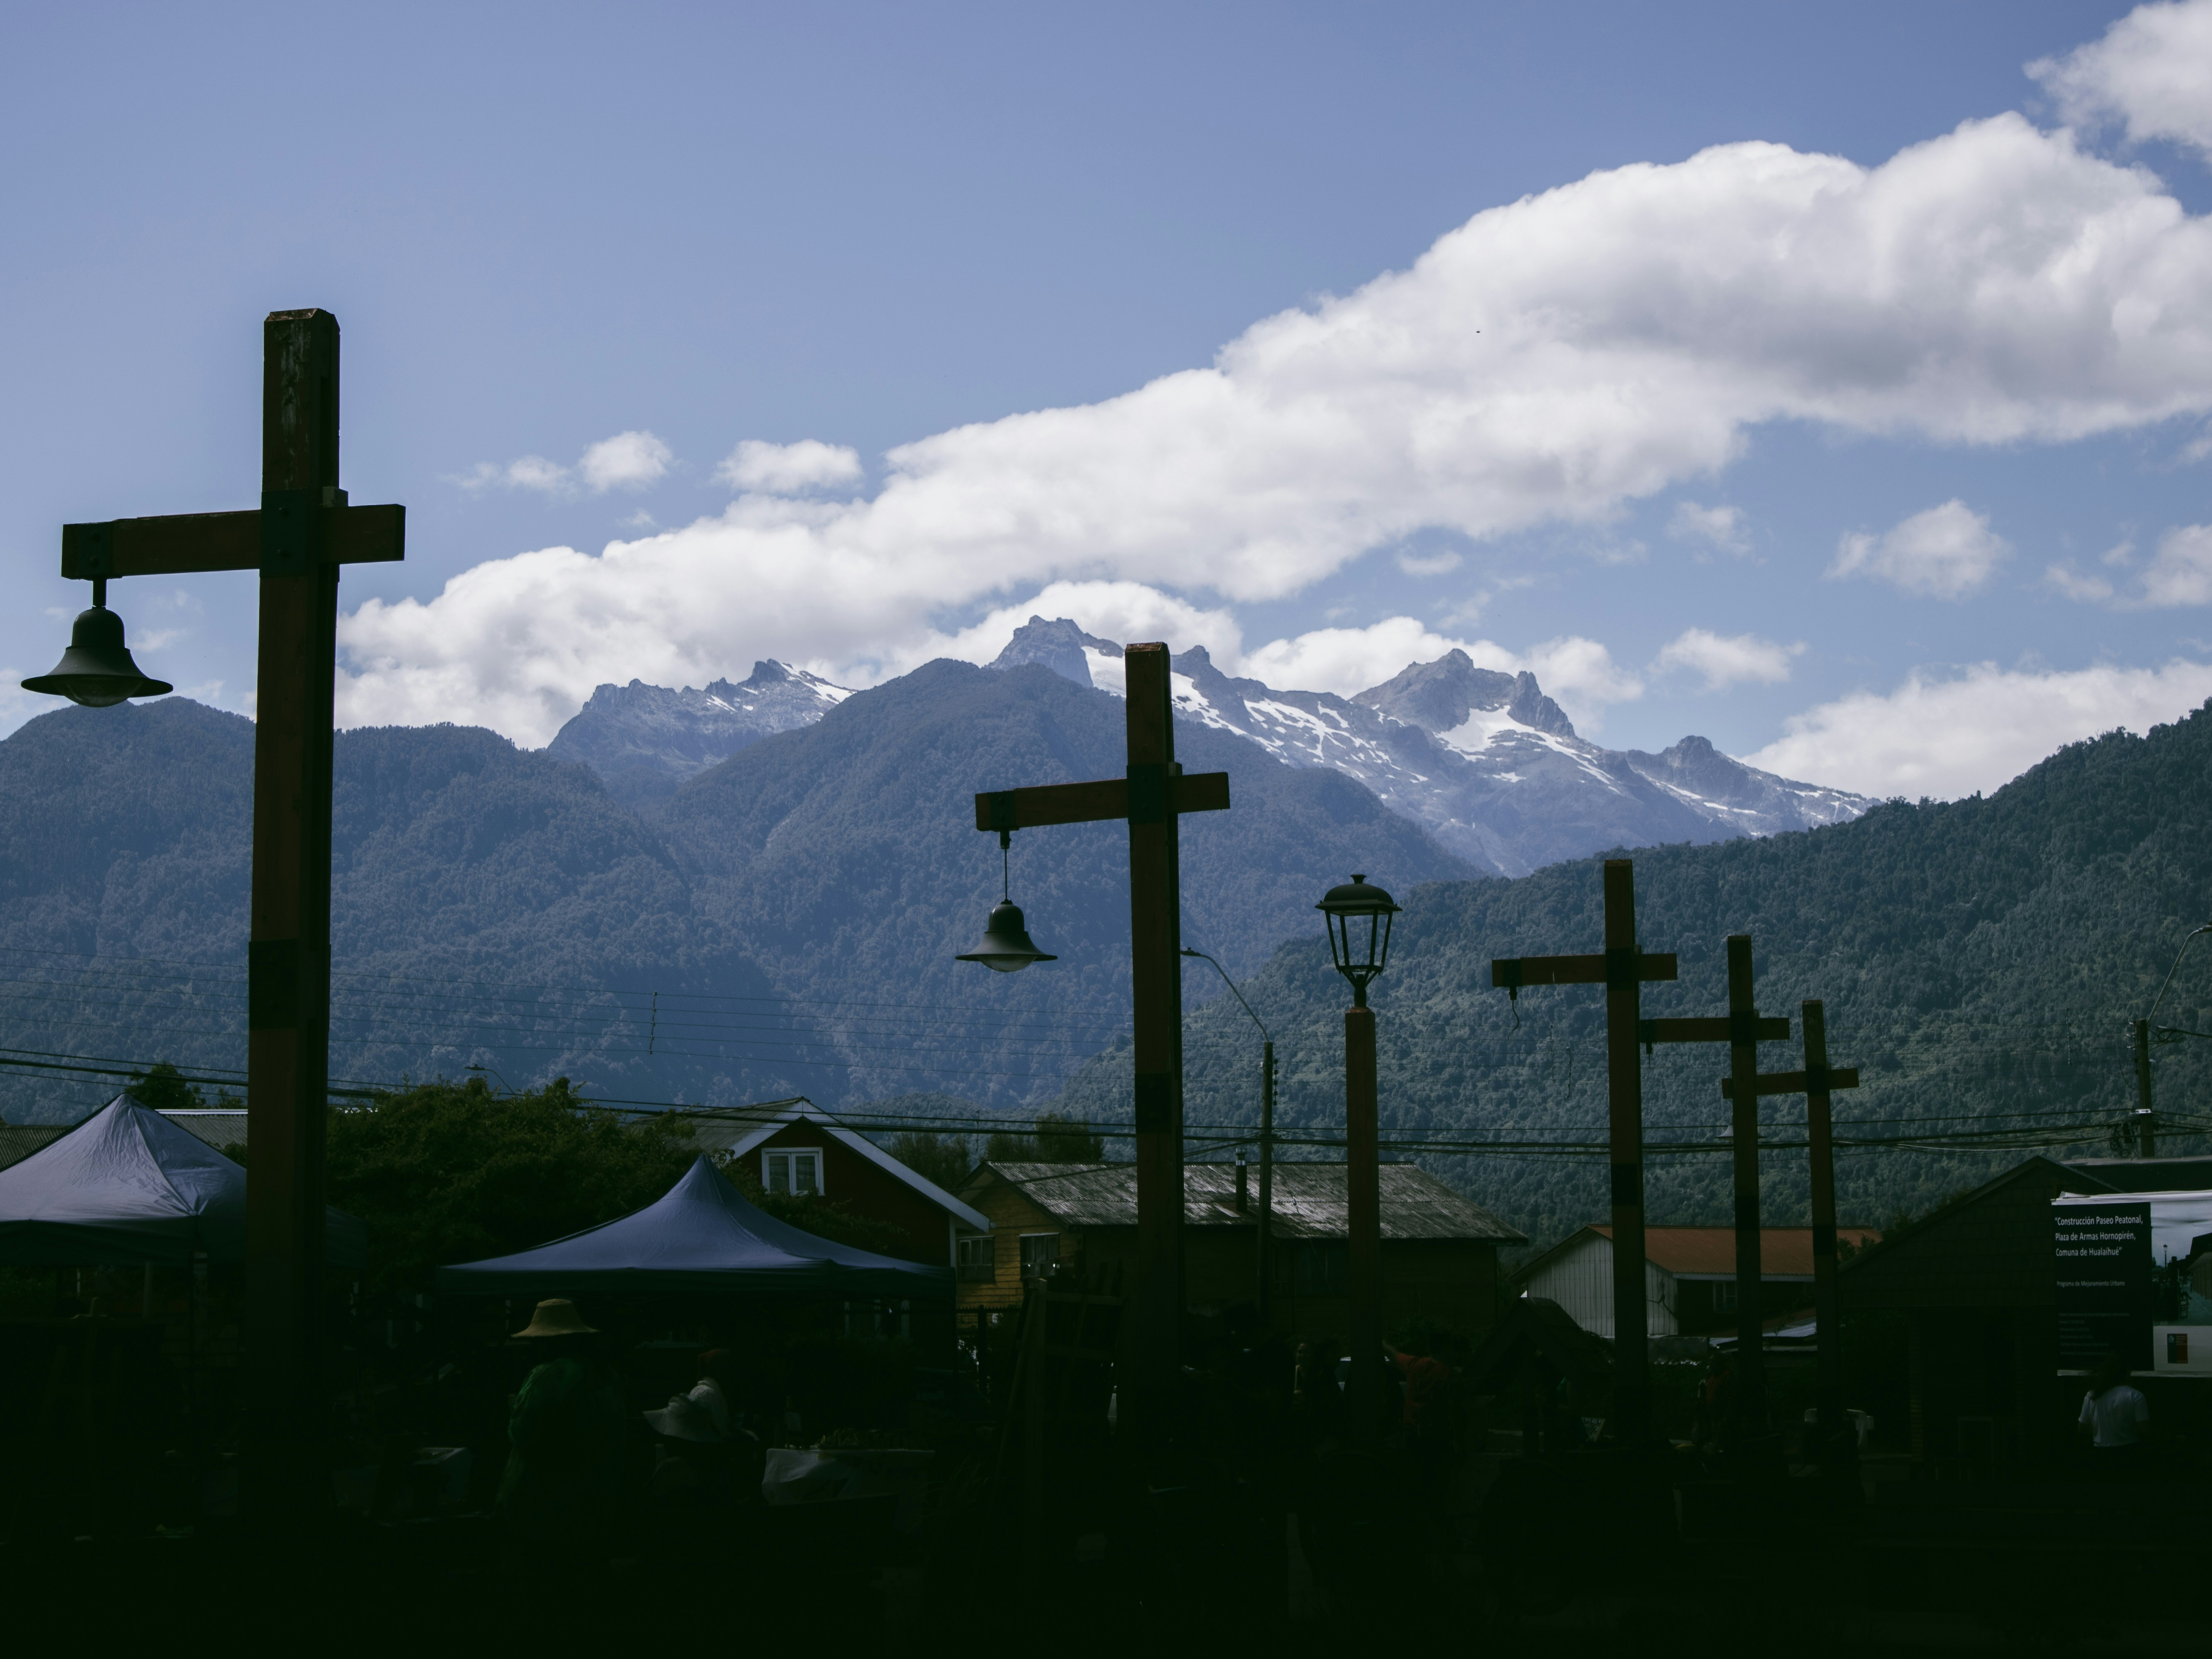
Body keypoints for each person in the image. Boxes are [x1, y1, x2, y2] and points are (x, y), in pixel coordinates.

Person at [497, 1299, 626, 1558]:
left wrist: (515, 1405)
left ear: (550, 1341)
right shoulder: (606, 1374)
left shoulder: (548, 1374)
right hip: (594, 1504)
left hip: (543, 1509)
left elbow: (523, 1433)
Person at [2077, 1350, 2151, 1474]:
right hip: (2129, 1453)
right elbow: (2145, 1430)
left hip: (2100, 1455)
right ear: (2127, 1371)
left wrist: (2103, 1431)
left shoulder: (2092, 1395)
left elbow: (2082, 1428)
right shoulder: (2135, 1396)